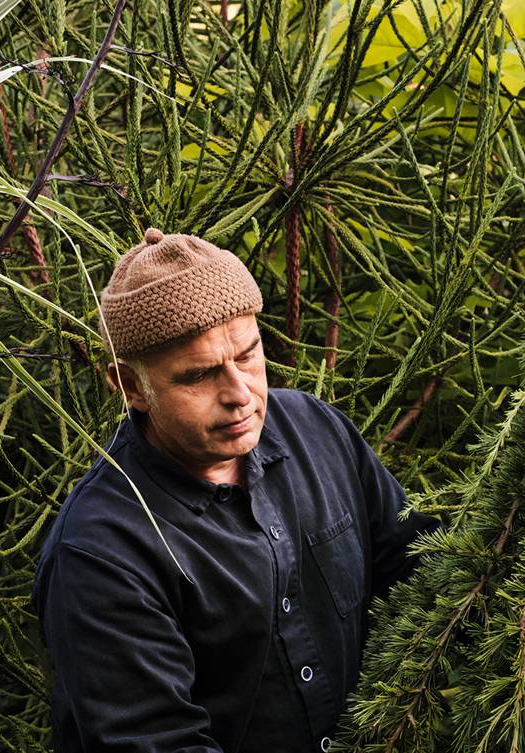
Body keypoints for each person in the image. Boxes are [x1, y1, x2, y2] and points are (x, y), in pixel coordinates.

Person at [31, 227, 442, 753]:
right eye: (199, 376)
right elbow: (157, 742)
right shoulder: (100, 552)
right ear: (132, 386)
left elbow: (423, 564)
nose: (239, 394)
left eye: (248, 355)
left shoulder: (314, 430)